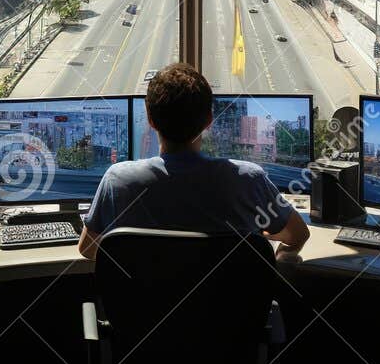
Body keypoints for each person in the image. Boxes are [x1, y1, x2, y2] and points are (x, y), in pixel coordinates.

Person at [77, 62, 310, 261]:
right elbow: (298, 235)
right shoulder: (250, 180)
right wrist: (268, 248)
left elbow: (88, 248)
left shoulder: (118, 180)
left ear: (150, 120)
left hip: (148, 302)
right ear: (209, 121)